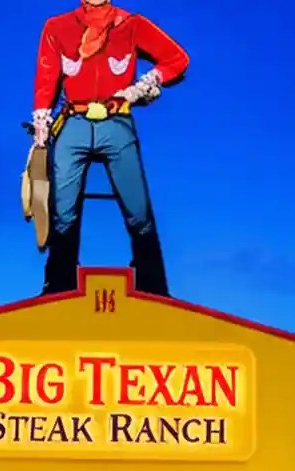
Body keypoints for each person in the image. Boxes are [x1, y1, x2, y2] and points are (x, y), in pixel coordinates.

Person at [30, 0, 189, 296]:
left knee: (137, 207)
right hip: (72, 122)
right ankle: (58, 286)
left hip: (116, 121)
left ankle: (153, 287)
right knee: (63, 211)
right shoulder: (57, 27)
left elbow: (176, 59)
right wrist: (41, 123)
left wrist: (139, 89)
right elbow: (46, 76)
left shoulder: (131, 25)